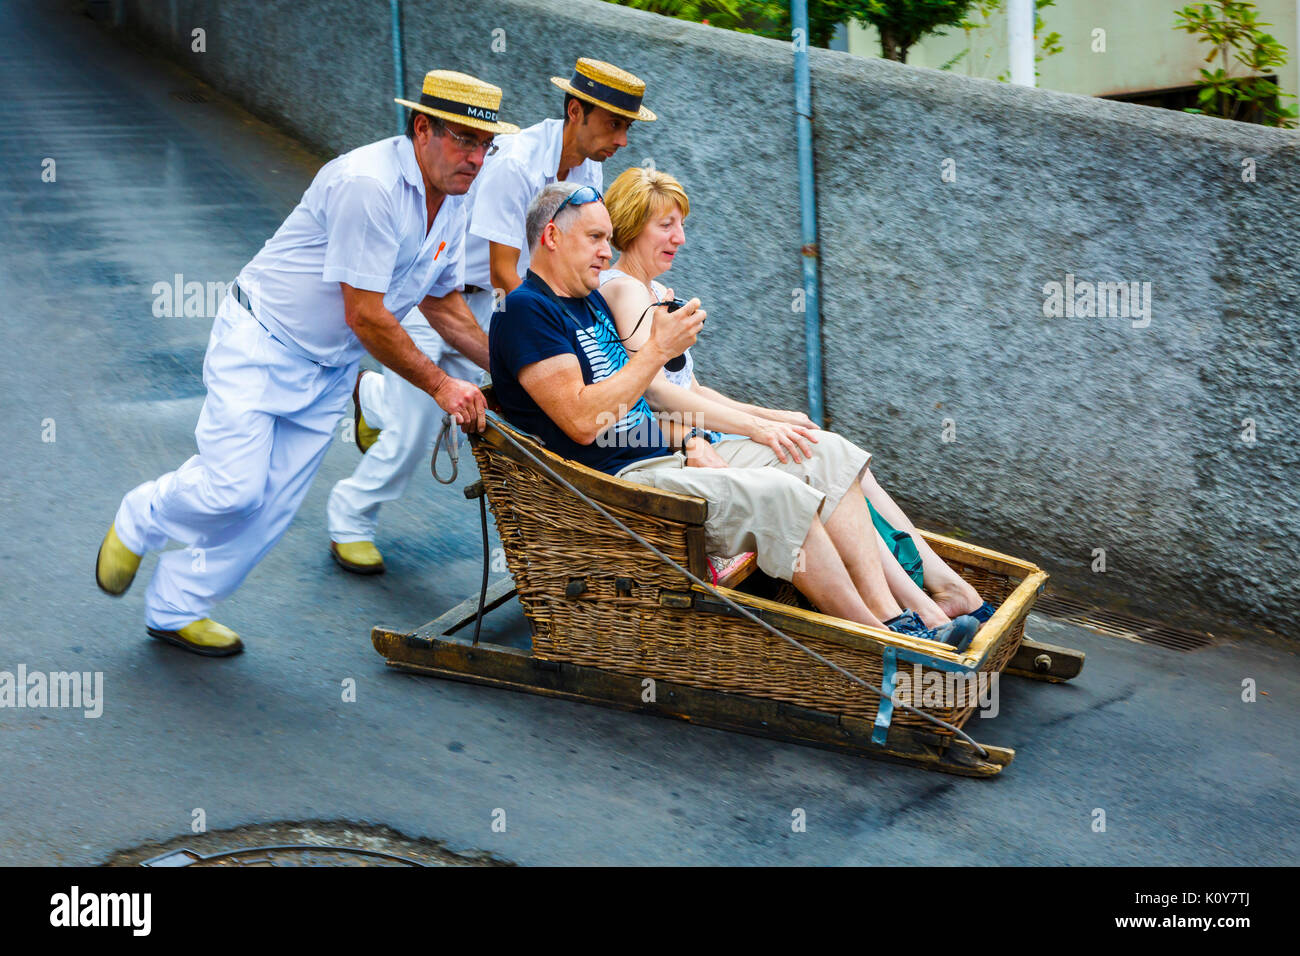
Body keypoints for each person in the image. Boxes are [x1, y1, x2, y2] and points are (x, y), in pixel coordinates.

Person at [94, 71, 514, 656]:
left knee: (271, 509)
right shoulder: (370, 185)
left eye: (484, 145)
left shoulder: (454, 199)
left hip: (328, 369)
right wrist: (443, 385)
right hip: (261, 343)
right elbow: (365, 316)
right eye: (463, 140)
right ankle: (142, 515)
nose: (476, 157)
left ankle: (176, 607)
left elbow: (442, 304)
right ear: (422, 128)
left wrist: (517, 370)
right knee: (233, 490)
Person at [488, 182, 981, 649]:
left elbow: (641, 408)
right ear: (551, 236)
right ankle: (883, 638)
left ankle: (904, 613)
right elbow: (581, 421)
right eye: (595, 238)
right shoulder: (524, 311)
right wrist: (657, 349)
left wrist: (686, 440)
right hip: (616, 488)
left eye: (608, 239)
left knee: (822, 452)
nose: (604, 251)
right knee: (785, 496)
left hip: (665, 458)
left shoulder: (590, 302)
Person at [327, 58, 655, 574]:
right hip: (450, 293)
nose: (623, 140)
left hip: (485, 300)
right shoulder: (516, 163)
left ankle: (374, 396)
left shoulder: (587, 169)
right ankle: (349, 517)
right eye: (614, 124)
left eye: (627, 127)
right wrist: (546, 342)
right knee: (420, 427)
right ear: (576, 112)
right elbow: (506, 272)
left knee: (462, 412)